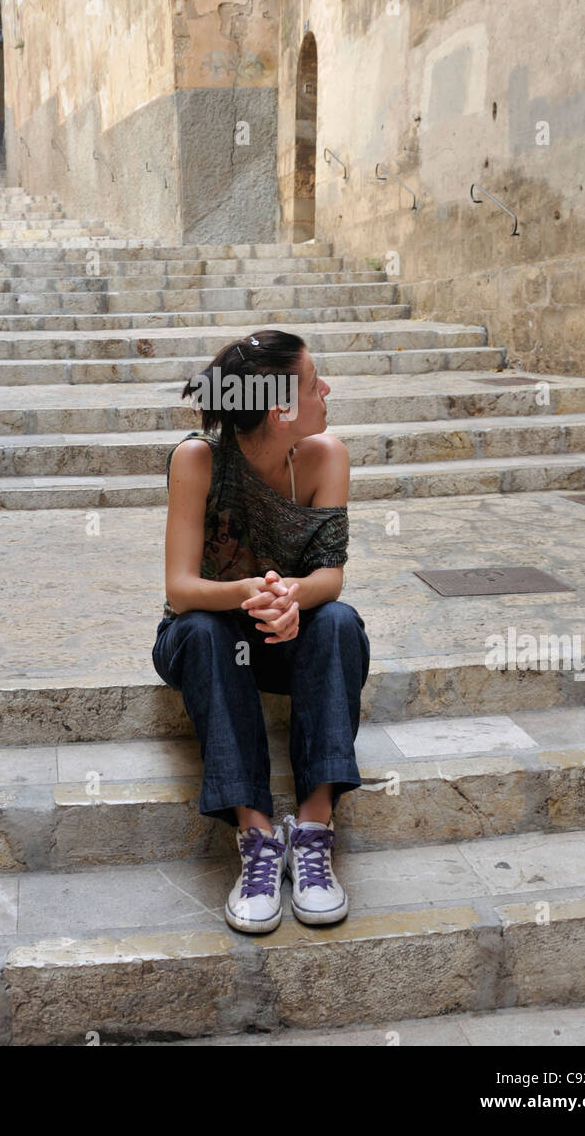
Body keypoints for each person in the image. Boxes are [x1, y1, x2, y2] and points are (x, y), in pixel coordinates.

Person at [151, 329, 371, 934]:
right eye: (312, 382)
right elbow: (180, 587)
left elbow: (331, 575)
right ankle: (256, 837)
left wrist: (292, 596)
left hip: (286, 635)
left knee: (340, 624)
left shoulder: (328, 455)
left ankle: (314, 827)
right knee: (201, 631)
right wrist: (250, 593)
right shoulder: (197, 459)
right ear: (280, 409)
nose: (326, 390)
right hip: (211, 641)